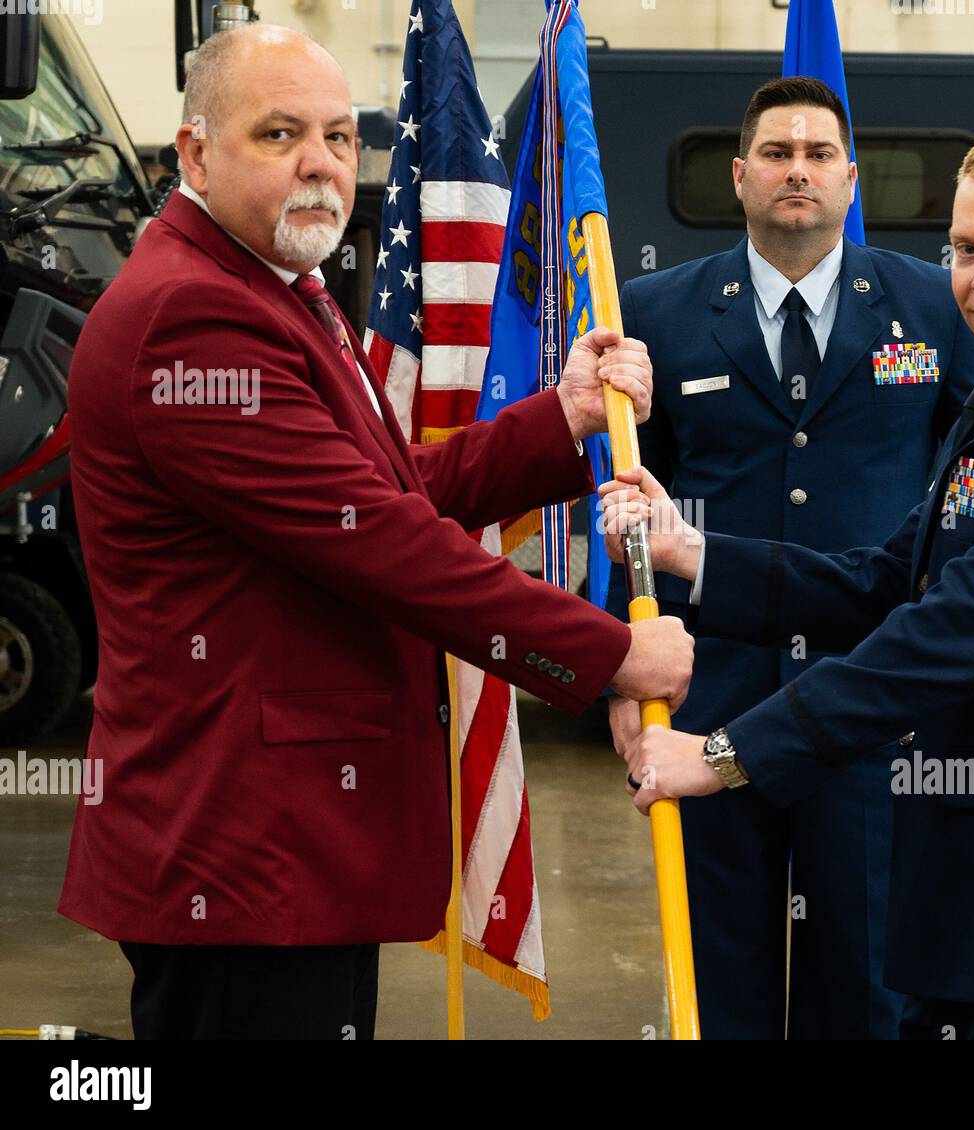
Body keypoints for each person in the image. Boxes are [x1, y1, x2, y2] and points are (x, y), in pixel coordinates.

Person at [58, 25, 692, 1040]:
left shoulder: (277, 289)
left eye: (340, 136)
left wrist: (557, 418)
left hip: (291, 848)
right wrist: (611, 651)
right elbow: (389, 550)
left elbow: (382, 493)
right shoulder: (194, 319)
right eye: (278, 134)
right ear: (194, 154)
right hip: (244, 854)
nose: (321, 163)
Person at [603, 126, 974, 1040]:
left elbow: (944, 639)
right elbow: (891, 581)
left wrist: (724, 754)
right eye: (966, 249)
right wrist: (693, 550)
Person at [604, 76, 974, 1039]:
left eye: (819, 155)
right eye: (777, 153)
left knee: (862, 980)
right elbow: (629, 510)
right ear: (738, 176)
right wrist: (620, 670)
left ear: (852, 179)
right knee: (718, 974)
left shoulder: (934, 308)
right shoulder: (658, 311)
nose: (798, 171)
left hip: (871, 705)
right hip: (713, 700)